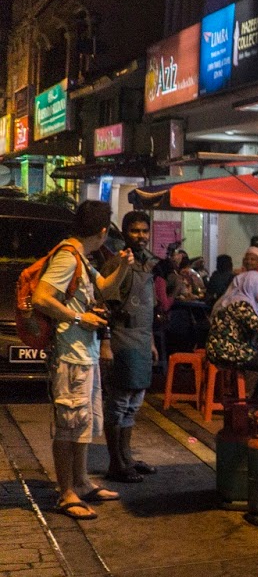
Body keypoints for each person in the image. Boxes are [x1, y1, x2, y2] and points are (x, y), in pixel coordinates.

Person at [32, 201, 132, 521]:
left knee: (83, 424)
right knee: (69, 425)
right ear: (103, 231)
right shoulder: (67, 257)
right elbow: (42, 298)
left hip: (83, 356)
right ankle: (66, 493)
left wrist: (124, 266)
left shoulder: (81, 259)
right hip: (70, 357)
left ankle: (82, 481)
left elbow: (103, 290)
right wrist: (79, 316)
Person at [101, 212, 160, 483]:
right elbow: (103, 307)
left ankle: (127, 458)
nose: (142, 236)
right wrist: (106, 343)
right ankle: (116, 464)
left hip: (141, 341)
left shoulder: (147, 264)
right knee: (118, 404)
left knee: (134, 404)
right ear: (124, 233)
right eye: (135, 231)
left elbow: (147, 308)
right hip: (121, 342)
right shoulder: (117, 263)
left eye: (145, 231)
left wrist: (150, 342)